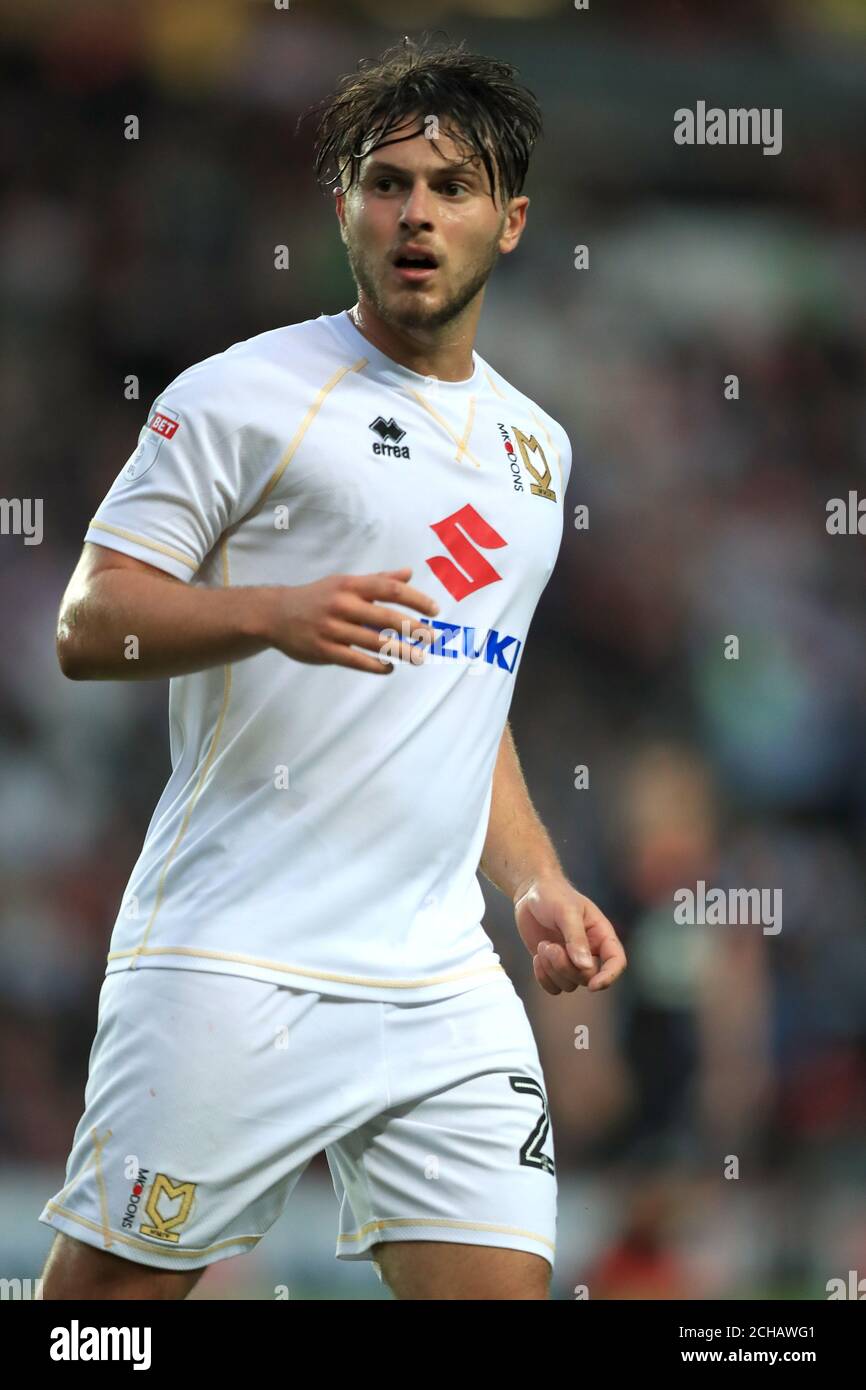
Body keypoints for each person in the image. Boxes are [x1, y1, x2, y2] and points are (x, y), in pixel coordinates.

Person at [39, 34, 626, 1302]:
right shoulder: (246, 395)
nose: (416, 213)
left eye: (451, 187)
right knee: (100, 1326)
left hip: (438, 979)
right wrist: (269, 613)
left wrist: (531, 877)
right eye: (385, 183)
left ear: (509, 221)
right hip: (234, 959)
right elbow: (89, 626)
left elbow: (462, 692)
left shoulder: (534, 450)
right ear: (346, 209)